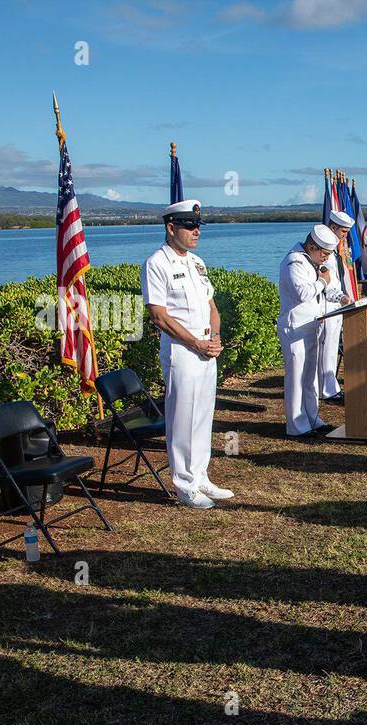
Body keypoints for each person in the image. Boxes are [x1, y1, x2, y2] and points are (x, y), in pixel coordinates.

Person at [141, 200, 233, 509]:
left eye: (198, 227)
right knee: (183, 417)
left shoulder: (196, 262)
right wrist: (195, 343)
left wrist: (216, 337)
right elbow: (159, 316)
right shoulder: (157, 263)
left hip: (207, 349)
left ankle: (200, 476)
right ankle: (183, 484)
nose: (196, 232)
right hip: (182, 351)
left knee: (203, 414)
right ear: (171, 228)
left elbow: (211, 307)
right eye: (190, 226)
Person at [277, 223, 343, 437]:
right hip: (295, 328)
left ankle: (312, 418)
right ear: (312, 247)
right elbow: (303, 292)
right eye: (324, 253)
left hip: (311, 326)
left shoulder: (311, 261)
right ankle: (296, 425)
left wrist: (340, 297)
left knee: (310, 377)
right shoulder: (294, 261)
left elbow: (323, 290)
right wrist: (323, 282)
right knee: (296, 377)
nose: (326, 258)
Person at [319, 210, 357, 403]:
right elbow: (325, 282)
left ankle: (330, 385)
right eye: (343, 232)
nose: (345, 236)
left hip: (336, 306)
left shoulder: (334, 251)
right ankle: (327, 389)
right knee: (327, 349)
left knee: (333, 348)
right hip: (326, 306)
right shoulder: (323, 252)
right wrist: (341, 297)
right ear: (333, 228)